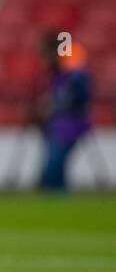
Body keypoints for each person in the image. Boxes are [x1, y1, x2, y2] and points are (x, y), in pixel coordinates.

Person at [37, 36, 93, 190]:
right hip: (61, 125)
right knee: (55, 168)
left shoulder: (73, 74)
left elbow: (77, 98)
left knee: (53, 168)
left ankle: (57, 196)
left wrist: (52, 106)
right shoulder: (59, 75)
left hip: (69, 125)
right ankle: (58, 198)